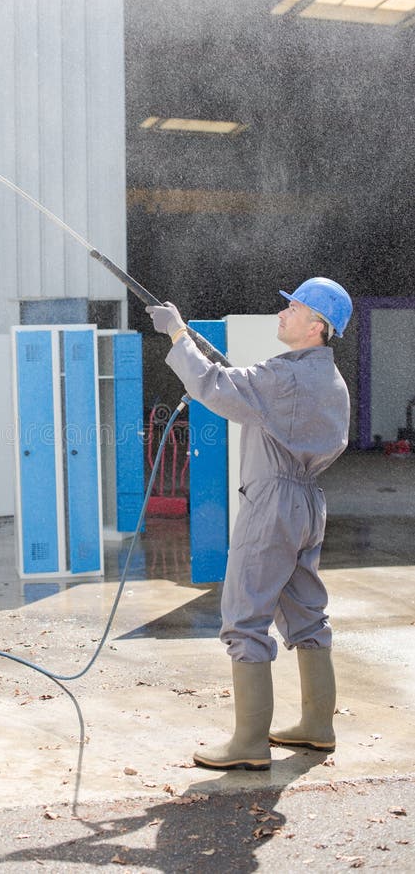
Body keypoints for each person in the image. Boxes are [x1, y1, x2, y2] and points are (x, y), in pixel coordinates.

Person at [146, 277, 352, 770]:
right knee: (306, 615)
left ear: (316, 327)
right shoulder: (330, 381)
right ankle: (318, 726)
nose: (283, 314)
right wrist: (223, 363)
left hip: (272, 503)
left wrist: (177, 334)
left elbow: (214, 387)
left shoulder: (284, 377)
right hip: (306, 503)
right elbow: (252, 391)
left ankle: (249, 743)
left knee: (244, 617)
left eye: (294, 308)